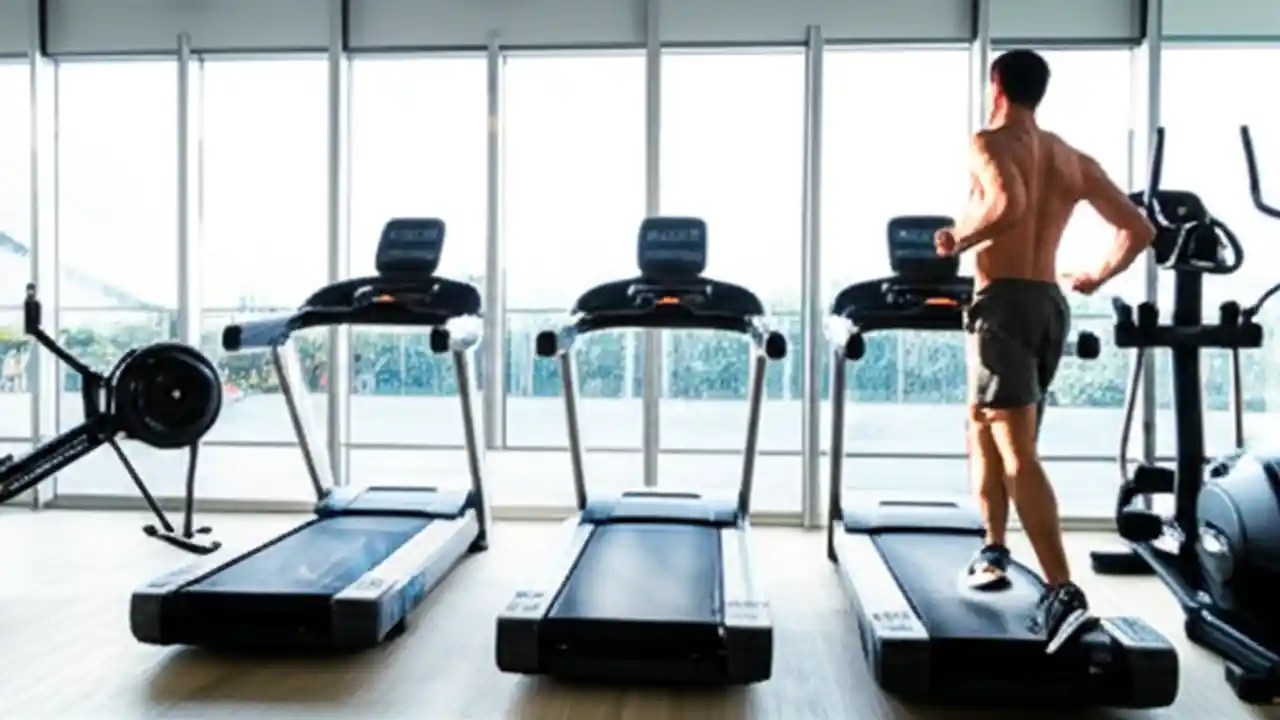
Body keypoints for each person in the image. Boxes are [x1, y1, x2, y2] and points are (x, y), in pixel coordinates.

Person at [932, 49, 1156, 654]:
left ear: (996, 85)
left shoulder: (989, 140)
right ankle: (994, 548)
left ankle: (1062, 590)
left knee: (1014, 450)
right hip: (1048, 303)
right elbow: (1139, 230)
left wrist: (960, 240)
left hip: (1001, 302)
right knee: (982, 424)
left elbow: (1012, 205)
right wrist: (1097, 278)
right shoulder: (1071, 157)